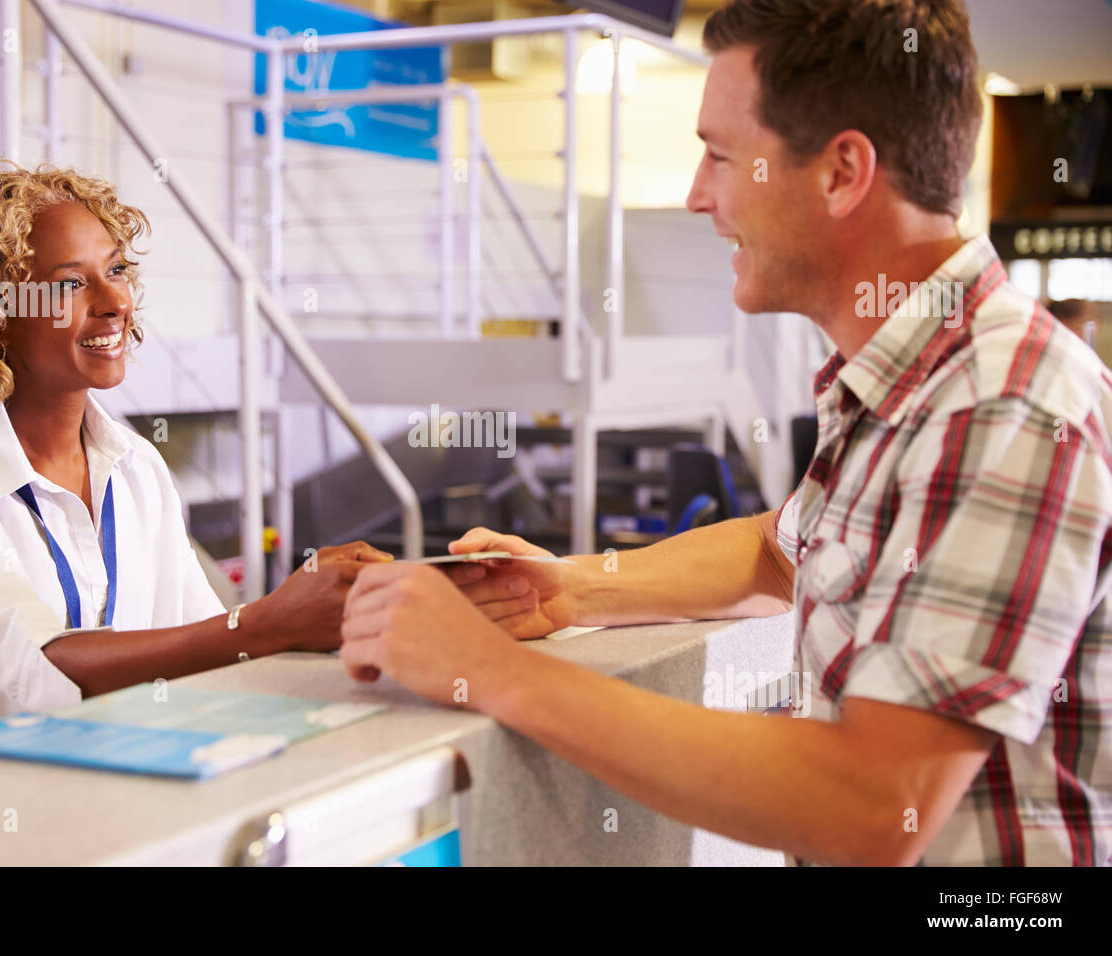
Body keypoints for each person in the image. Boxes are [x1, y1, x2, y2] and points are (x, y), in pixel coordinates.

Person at [339, 0, 1112, 865]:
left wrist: (487, 669)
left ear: (841, 172)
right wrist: (567, 591)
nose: (696, 194)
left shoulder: (998, 402)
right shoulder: (903, 381)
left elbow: (873, 803)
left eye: (718, 155)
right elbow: (781, 553)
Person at [0, 165, 388, 764]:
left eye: (117, 270)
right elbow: (38, 663)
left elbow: (211, 647)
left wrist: (362, 615)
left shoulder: (136, 467)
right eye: (72, 284)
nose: (115, 303)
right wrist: (267, 623)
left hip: (90, 802)